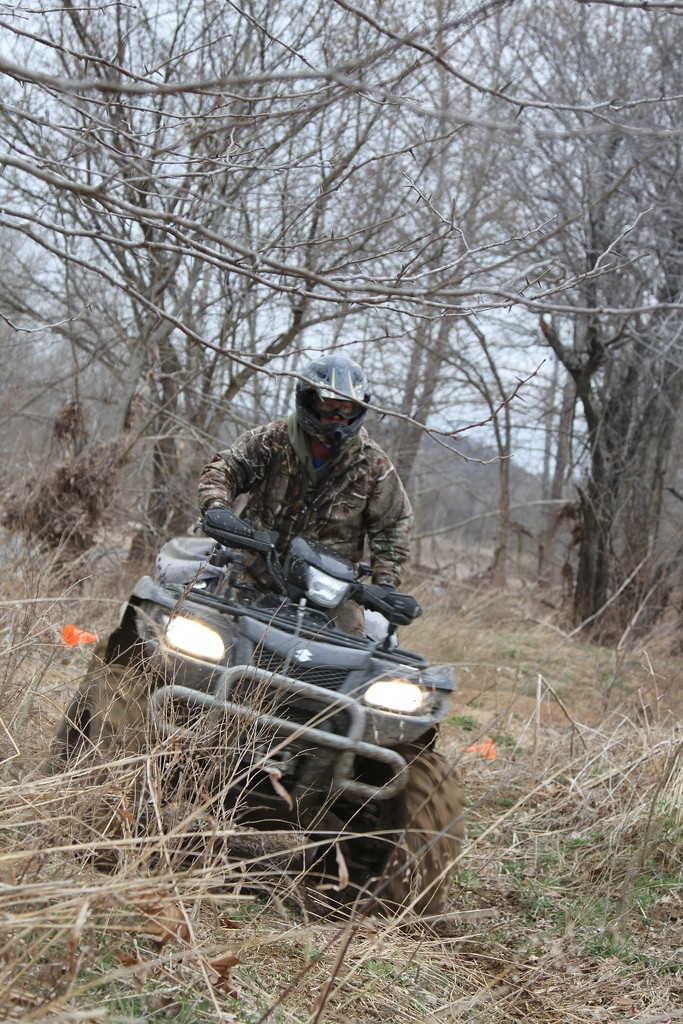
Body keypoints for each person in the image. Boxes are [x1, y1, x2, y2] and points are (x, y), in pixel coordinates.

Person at [197, 353, 413, 634]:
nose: (339, 417)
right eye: (329, 405)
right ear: (309, 400)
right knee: (205, 643)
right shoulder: (272, 440)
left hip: (331, 594)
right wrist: (217, 508)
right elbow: (224, 469)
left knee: (354, 665)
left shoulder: (373, 464)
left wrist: (385, 584)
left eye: (347, 408)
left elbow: (394, 522)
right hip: (255, 574)